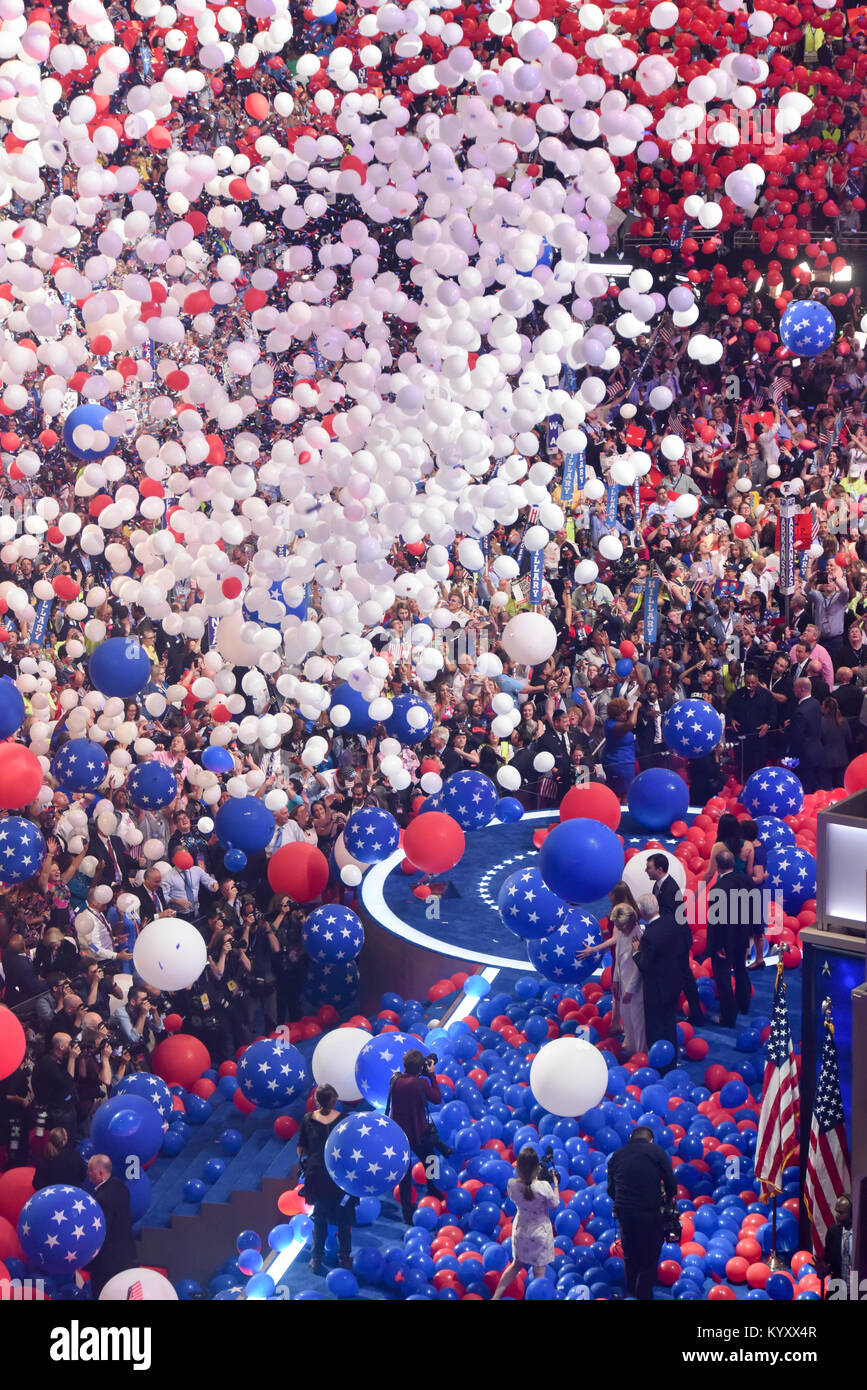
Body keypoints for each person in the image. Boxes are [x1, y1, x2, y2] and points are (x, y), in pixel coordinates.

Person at [607, 1126, 677, 1300]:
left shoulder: (617, 1155)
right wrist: (666, 1198)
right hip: (650, 1212)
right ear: (650, 1139)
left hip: (626, 1214)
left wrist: (623, 1201)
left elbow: (610, 1189)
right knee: (650, 1255)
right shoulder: (657, 1152)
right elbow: (671, 1184)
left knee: (630, 1255)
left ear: (631, 1138)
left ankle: (632, 1293)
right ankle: (643, 1294)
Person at [297, 1083, 357, 1275]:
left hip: (317, 1176)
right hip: (339, 1176)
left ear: (316, 1100)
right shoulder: (344, 1121)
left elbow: (301, 1149)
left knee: (319, 1218)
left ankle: (316, 1259)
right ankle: (345, 1258)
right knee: (344, 1217)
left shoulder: (307, 1119)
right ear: (334, 1101)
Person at [491, 1146, 560, 1299]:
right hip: (540, 1233)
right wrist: (555, 1184)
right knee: (539, 1272)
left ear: (518, 1167)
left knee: (515, 1265)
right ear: (537, 1168)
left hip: (521, 1230)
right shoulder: (544, 1187)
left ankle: (496, 1296)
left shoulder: (512, 1184)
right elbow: (554, 1204)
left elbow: (526, 1188)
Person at [387, 1049, 445, 1223]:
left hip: (398, 1133)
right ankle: (432, 1188)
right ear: (420, 1068)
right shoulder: (420, 1084)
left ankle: (407, 1212)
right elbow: (437, 1098)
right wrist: (432, 1076)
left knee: (404, 1173)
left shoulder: (394, 1079)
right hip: (418, 1132)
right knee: (431, 1159)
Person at [707, 850, 753, 1027]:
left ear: (717, 867)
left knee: (723, 978)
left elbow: (716, 922)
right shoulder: (747, 882)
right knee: (741, 970)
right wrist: (752, 934)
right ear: (733, 863)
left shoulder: (717, 890)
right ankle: (744, 1005)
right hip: (742, 937)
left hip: (724, 943)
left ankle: (728, 1017)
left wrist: (718, 945)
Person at [633, 894, 682, 1059]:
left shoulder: (649, 936)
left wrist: (636, 952)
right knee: (670, 1024)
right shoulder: (672, 923)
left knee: (655, 1028)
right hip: (674, 982)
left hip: (657, 990)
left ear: (643, 912)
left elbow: (645, 965)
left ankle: (660, 1063)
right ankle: (672, 1060)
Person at [85, 1153, 138, 1298]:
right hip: (126, 1257)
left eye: (90, 1170)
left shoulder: (102, 1198)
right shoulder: (119, 1185)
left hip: (107, 1264)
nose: (87, 1173)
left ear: (100, 1172)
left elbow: (102, 1232)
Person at [788, 675, 825, 793]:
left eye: (795, 688)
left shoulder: (800, 711)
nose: (793, 690)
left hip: (803, 757)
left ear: (801, 690)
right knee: (816, 787)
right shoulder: (815, 703)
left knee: (805, 789)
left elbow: (796, 736)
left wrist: (788, 728)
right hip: (817, 752)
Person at [601, 696, 639, 801]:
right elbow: (631, 724)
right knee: (626, 794)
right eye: (624, 713)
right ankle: (623, 815)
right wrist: (636, 707)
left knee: (613, 792)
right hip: (622, 763)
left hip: (613, 761)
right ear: (616, 715)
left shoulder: (609, 722)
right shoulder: (614, 726)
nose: (626, 715)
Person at [819, 1194, 853, 1284]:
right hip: (838, 1288)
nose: (836, 1215)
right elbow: (828, 1262)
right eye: (836, 1211)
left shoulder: (862, 1234)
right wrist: (823, 1270)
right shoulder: (833, 1232)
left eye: (841, 1212)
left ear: (852, 1213)